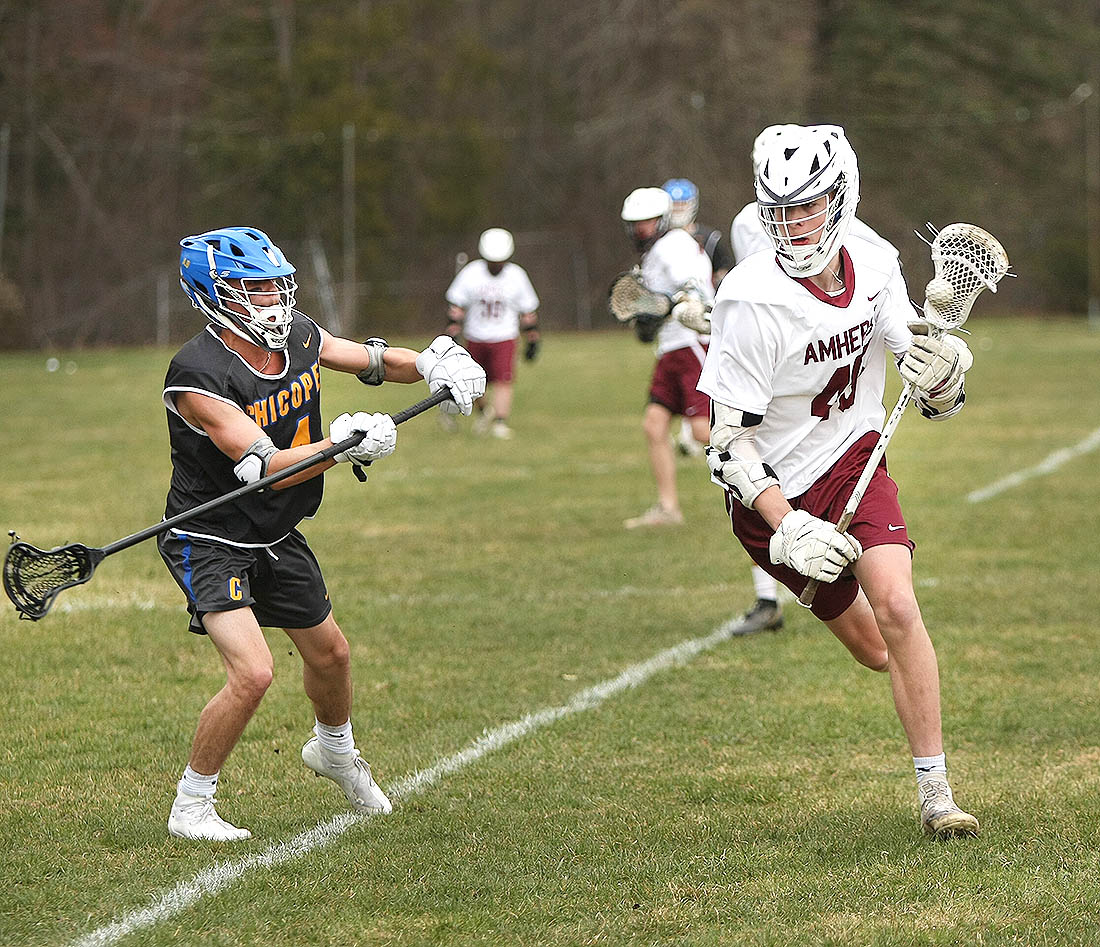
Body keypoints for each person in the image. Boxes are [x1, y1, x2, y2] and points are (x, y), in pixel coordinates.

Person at [698, 125, 980, 838]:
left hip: (856, 456)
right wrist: (785, 523)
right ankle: (911, 715)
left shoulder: (877, 259)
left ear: (841, 197)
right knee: (874, 648)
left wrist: (944, 375)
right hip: (775, 494)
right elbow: (726, 442)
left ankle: (937, 795)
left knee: (899, 605)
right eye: (781, 210)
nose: (794, 224)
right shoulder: (749, 298)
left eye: (809, 206)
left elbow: (914, 357)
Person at [160, 226, 486, 841]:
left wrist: (432, 364)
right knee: (254, 673)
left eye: (277, 287)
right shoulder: (195, 375)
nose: (274, 303)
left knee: (331, 654)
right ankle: (192, 804)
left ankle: (334, 750)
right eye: (255, 290)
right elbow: (259, 470)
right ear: (213, 294)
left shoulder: (297, 335)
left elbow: (363, 359)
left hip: (275, 533)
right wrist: (338, 447)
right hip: (210, 535)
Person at [619, 187, 714, 529]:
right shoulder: (656, 251)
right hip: (671, 348)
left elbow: (693, 290)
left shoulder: (673, 245)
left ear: (661, 220)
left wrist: (665, 307)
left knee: (703, 430)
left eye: (646, 223)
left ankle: (777, 465)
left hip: (692, 344)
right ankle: (668, 508)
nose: (641, 230)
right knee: (654, 425)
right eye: (635, 224)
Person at [662, 178, 734, 465]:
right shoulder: (661, 242)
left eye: (683, 204)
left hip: (705, 322)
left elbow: (725, 275)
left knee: (705, 378)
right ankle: (688, 433)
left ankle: (706, 432)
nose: (679, 211)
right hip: (672, 328)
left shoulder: (710, 238)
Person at [443, 227, 540, 440]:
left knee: (503, 380)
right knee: (473, 382)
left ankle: (500, 422)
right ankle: (484, 411)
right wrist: (453, 330)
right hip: (476, 335)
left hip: (504, 336)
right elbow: (457, 305)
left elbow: (527, 310)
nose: (496, 265)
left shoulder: (516, 276)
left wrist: (532, 337)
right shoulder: (471, 273)